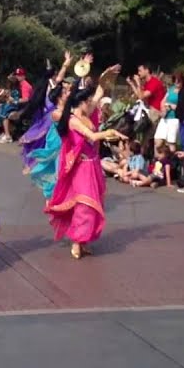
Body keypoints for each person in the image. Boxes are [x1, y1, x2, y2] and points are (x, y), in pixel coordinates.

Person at [45, 79, 128, 260]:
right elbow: (92, 135)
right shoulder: (73, 120)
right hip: (80, 166)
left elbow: (97, 97)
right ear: (81, 102)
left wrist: (104, 80)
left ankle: (84, 240)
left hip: (93, 165)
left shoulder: (85, 114)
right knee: (85, 205)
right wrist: (111, 133)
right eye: (88, 101)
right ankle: (77, 240)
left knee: (95, 203)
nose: (91, 103)